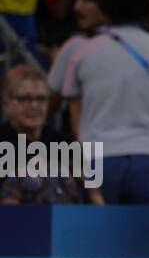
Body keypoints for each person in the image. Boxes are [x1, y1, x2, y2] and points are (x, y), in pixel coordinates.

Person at [59, 0, 149, 205]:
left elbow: (78, 129)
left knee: (96, 240)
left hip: (99, 161)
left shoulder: (81, 54)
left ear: (105, 7)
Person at [0, 65, 90, 204]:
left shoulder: (66, 144)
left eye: (41, 98)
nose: (34, 106)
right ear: (6, 104)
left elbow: (88, 197)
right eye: (25, 99)